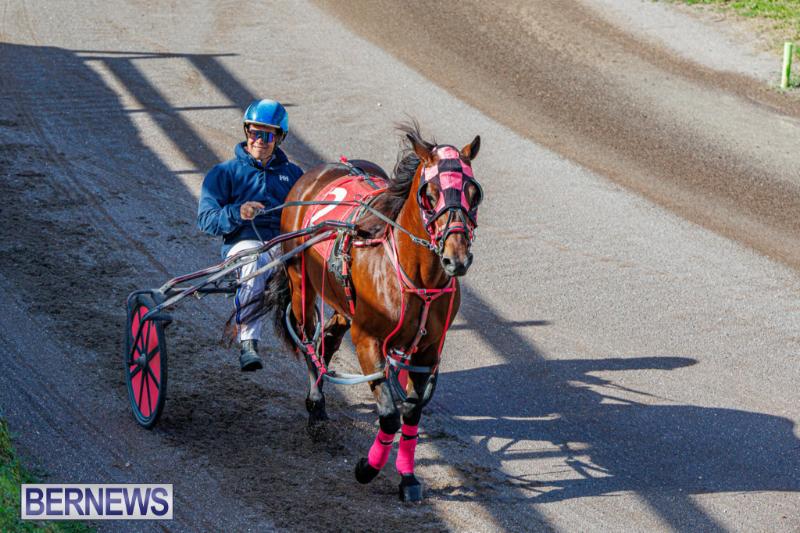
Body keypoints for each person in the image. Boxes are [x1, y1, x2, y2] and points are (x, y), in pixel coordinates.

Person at [197, 99, 304, 371]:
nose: (259, 140)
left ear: (279, 138)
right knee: (255, 262)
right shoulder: (224, 173)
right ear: (246, 132)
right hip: (242, 245)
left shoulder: (294, 175)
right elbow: (206, 221)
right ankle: (248, 342)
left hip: (282, 245)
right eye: (254, 133)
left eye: (267, 135)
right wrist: (238, 212)